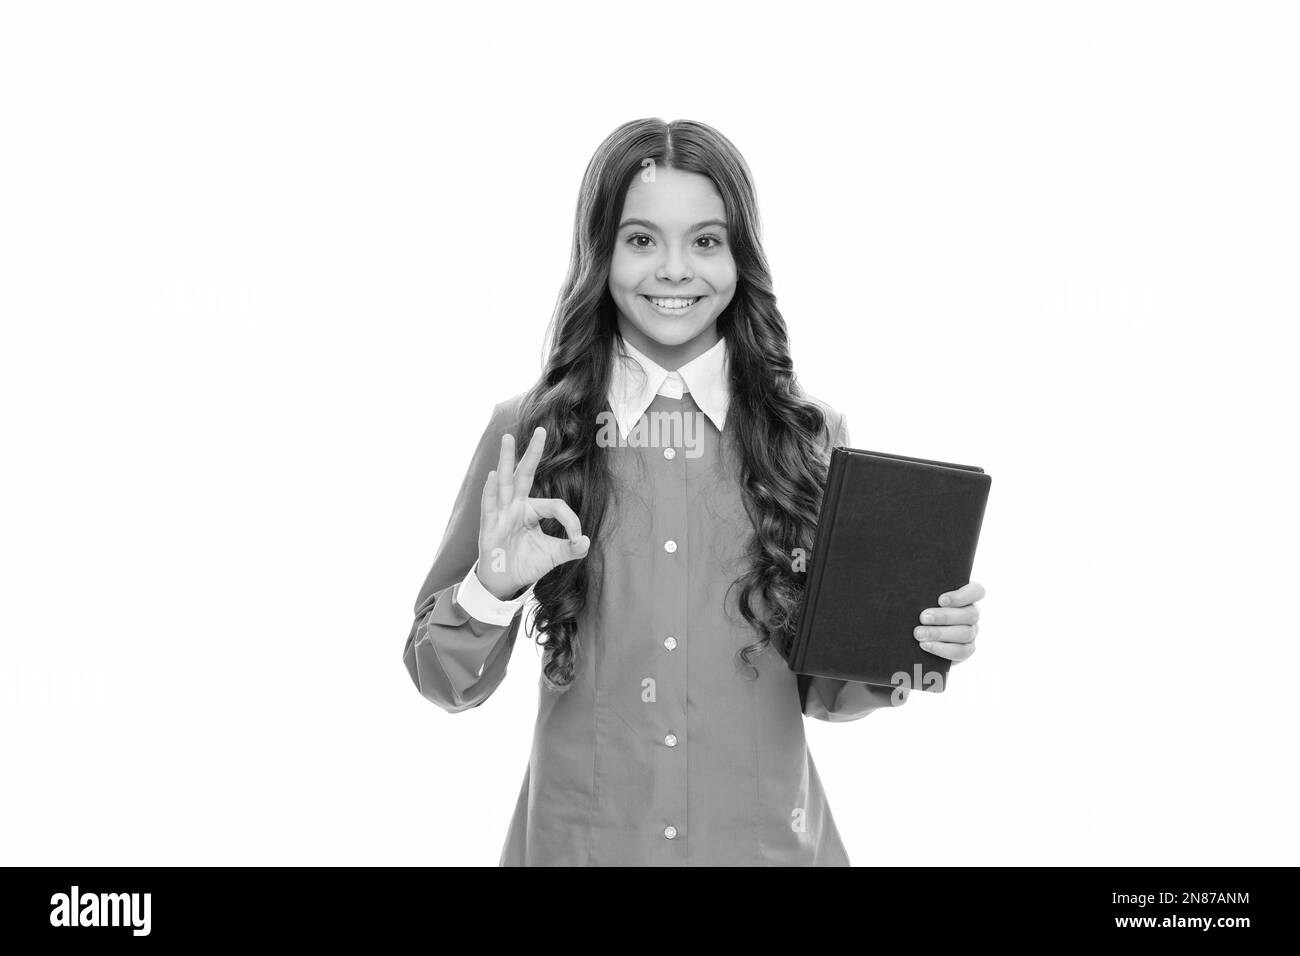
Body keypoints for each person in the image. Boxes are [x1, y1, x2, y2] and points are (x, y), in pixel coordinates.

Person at [402, 118, 985, 866]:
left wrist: (913, 642)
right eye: (641, 240)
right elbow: (441, 679)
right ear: (599, 254)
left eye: (706, 241)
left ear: (741, 257)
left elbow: (823, 691)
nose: (674, 270)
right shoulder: (532, 433)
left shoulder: (809, 434)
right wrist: (492, 586)